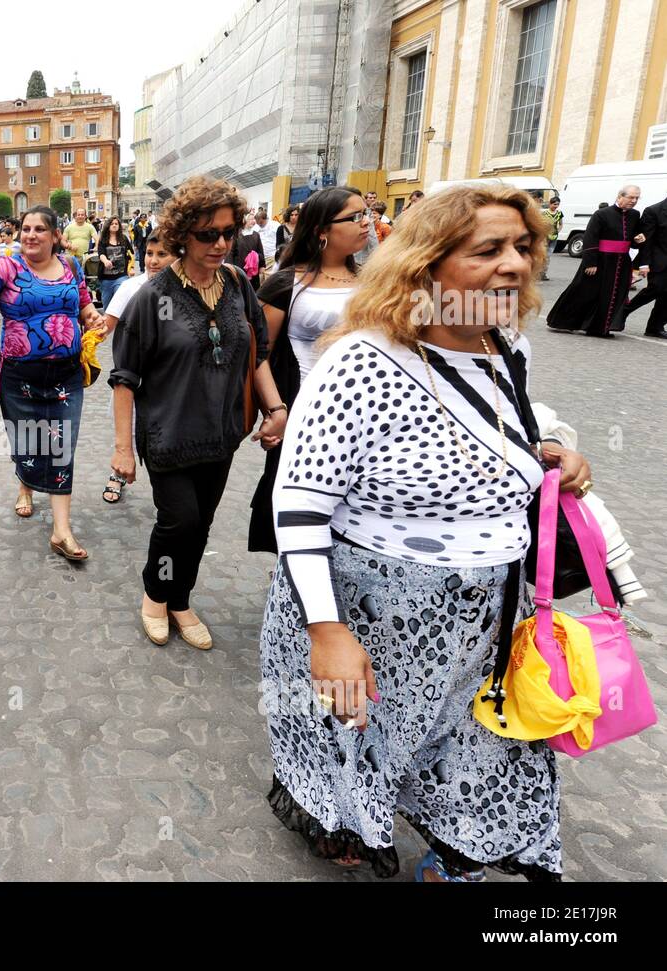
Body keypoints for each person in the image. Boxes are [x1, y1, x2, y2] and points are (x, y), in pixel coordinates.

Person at [262, 183, 592, 882]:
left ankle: (458, 857)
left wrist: (546, 452)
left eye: (523, 247)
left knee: (485, 744)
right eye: (488, 250)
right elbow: (299, 504)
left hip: (489, 615)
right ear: (427, 263)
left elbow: (495, 429)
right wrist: (327, 631)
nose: (515, 263)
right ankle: (354, 822)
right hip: (373, 614)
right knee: (362, 745)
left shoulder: (511, 348)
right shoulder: (361, 361)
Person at [109, 176, 287, 650]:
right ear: (183, 234)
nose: (221, 243)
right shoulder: (153, 298)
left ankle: (181, 598)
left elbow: (259, 353)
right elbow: (124, 378)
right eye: (208, 234)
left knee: (202, 523)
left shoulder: (237, 284)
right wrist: (123, 450)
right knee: (179, 521)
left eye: (228, 232)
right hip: (167, 432)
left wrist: (276, 408)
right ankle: (155, 593)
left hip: (221, 431)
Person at [0, 206, 105, 559]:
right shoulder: (7, 266)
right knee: (31, 443)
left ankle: (61, 531)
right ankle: (26, 486)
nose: (31, 235)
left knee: (62, 444)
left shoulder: (71, 267)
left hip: (66, 373)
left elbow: (83, 306)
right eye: (25, 228)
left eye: (39, 229)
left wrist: (94, 319)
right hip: (20, 376)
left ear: (54, 236)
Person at [246, 187, 371, 554]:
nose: (367, 223)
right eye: (355, 217)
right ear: (322, 230)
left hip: (368, 416)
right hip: (307, 415)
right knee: (301, 508)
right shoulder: (288, 284)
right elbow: (257, 354)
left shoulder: (376, 282)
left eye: (367, 214)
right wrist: (276, 410)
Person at [99, 233, 177, 505]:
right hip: (132, 377)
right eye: (149, 253)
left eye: (162, 254)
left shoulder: (182, 290)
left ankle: (167, 487)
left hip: (169, 381)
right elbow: (105, 326)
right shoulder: (130, 287)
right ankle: (117, 474)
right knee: (128, 429)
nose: (153, 261)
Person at [546, 185, 644, 337]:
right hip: (600, 260)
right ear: (620, 196)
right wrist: (590, 263)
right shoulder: (602, 214)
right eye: (631, 197)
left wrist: (638, 239)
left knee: (613, 295)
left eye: (637, 198)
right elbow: (590, 238)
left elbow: (632, 239)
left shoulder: (635, 215)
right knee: (584, 292)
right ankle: (563, 321)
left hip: (621, 262)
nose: (634, 200)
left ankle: (599, 328)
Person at [625, 192, 667, 338]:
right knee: (656, 289)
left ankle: (655, 327)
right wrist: (644, 264)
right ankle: (624, 311)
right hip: (658, 260)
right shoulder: (653, 211)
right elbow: (646, 241)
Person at [95, 215, 134, 309]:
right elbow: (101, 254)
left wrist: (131, 268)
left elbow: (131, 254)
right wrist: (105, 261)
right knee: (107, 305)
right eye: (112, 224)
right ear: (108, 226)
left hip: (121, 275)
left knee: (119, 298)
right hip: (106, 278)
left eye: (116, 224)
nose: (114, 225)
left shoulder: (124, 238)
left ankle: (119, 322)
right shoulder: (103, 239)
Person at [234, 212, 264, 284]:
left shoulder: (256, 234)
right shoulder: (237, 234)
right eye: (251, 219)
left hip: (253, 268)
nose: (253, 221)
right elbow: (231, 253)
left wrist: (262, 265)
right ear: (244, 220)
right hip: (239, 267)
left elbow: (260, 250)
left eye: (254, 219)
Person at [540, 196, 563, 280]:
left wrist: (558, 231)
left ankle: (543, 274)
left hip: (554, 237)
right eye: (554, 204)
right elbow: (540, 224)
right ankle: (537, 273)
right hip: (544, 237)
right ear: (550, 204)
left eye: (557, 204)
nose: (556, 206)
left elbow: (560, 224)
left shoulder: (559, 213)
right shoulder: (544, 213)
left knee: (548, 256)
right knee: (542, 255)